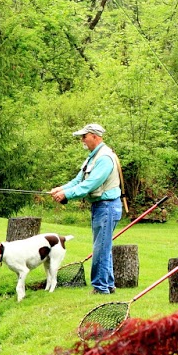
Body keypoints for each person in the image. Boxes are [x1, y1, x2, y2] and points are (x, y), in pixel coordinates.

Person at [51, 122, 124, 295]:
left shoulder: (105, 158)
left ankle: (100, 288)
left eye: (84, 136)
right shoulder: (93, 156)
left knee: (101, 248)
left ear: (95, 136)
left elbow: (90, 185)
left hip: (107, 207)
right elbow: (78, 180)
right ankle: (109, 285)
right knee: (103, 246)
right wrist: (61, 189)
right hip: (101, 207)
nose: (82, 140)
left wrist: (67, 195)